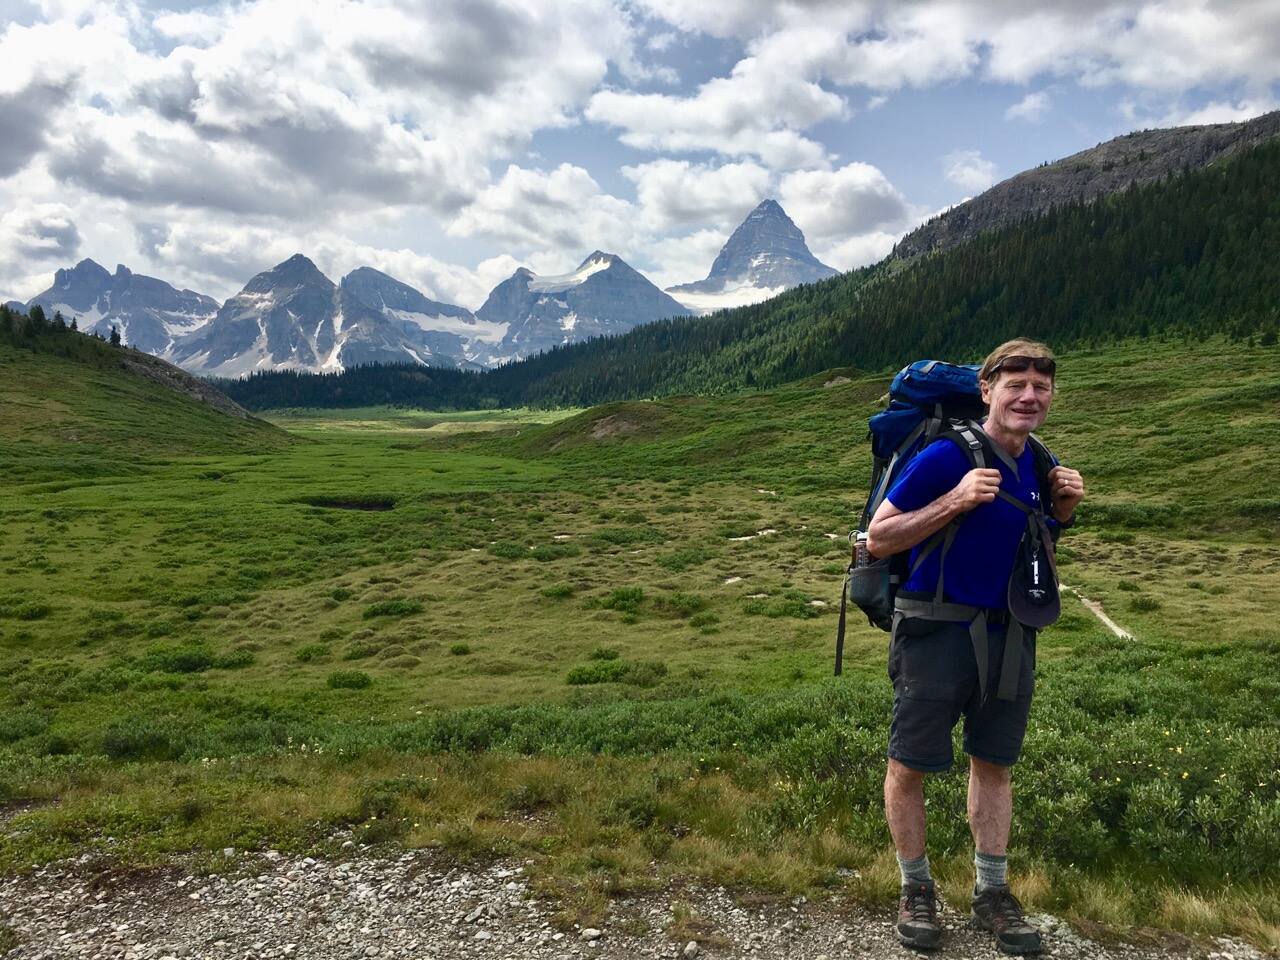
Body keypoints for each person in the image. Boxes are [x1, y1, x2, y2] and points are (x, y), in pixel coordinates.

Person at [865, 338, 1085, 954]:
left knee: (995, 764)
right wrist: (954, 498)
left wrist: (1061, 512)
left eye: (1040, 386)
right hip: (935, 630)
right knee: (910, 763)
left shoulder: (1040, 461)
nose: (1029, 396)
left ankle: (992, 895)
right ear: (986, 390)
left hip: (1011, 633)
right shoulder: (943, 455)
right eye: (1015, 384)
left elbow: (1023, 541)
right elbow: (878, 538)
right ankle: (917, 890)